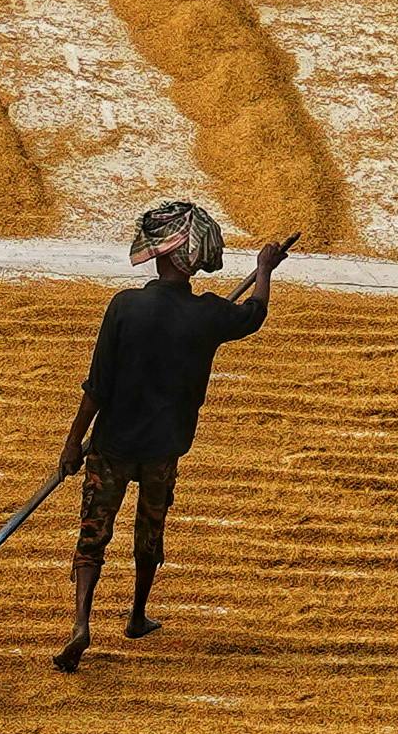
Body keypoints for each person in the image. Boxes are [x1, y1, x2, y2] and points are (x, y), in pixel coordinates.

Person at [56, 200, 294, 672]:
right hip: (163, 449)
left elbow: (97, 388)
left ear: (161, 253)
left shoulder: (125, 306)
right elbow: (254, 314)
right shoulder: (208, 315)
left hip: (112, 444)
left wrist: (71, 444)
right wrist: (265, 269)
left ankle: (81, 623)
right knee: (150, 530)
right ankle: (136, 616)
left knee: (93, 534)